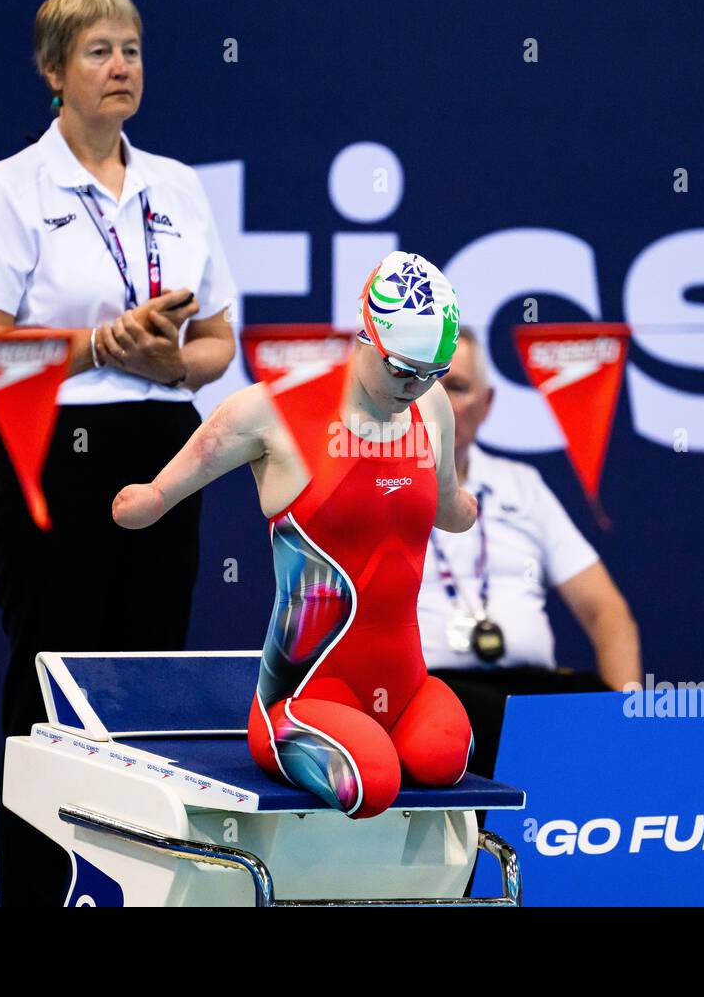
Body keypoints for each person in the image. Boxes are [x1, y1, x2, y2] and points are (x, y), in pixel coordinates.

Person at [0, 0, 237, 905]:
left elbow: (223, 344)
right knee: (53, 688)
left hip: (165, 447)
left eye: (134, 51)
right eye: (99, 52)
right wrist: (97, 343)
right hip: (52, 452)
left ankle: (140, 894)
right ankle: (38, 897)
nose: (122, 69)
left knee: (147, 685)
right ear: (53, 71)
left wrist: (169, 366)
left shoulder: (180, 187)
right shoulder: (10, 187)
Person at [114, 252, 477, 818]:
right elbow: (168, 488)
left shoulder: (431, 405)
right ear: (367, 332)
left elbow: (449, 504)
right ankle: (276, 721)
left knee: (445, 761)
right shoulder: (275, 411)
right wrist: (146, 501)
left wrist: (463, 509)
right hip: (307, 692)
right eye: (401, 367)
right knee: (371, 782)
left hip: (405, 686)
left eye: (431, 372)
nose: (412, 386)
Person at [419, 328, 642, 778]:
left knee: (592, 708)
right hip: (435, 691)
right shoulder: (374, 485)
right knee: (487, 720)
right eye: (430, 384)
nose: (440, 403)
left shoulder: (522, 485)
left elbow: (606, 612)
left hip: (528, 691)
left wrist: (628, 722)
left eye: (457, 387)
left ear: (486, 405)